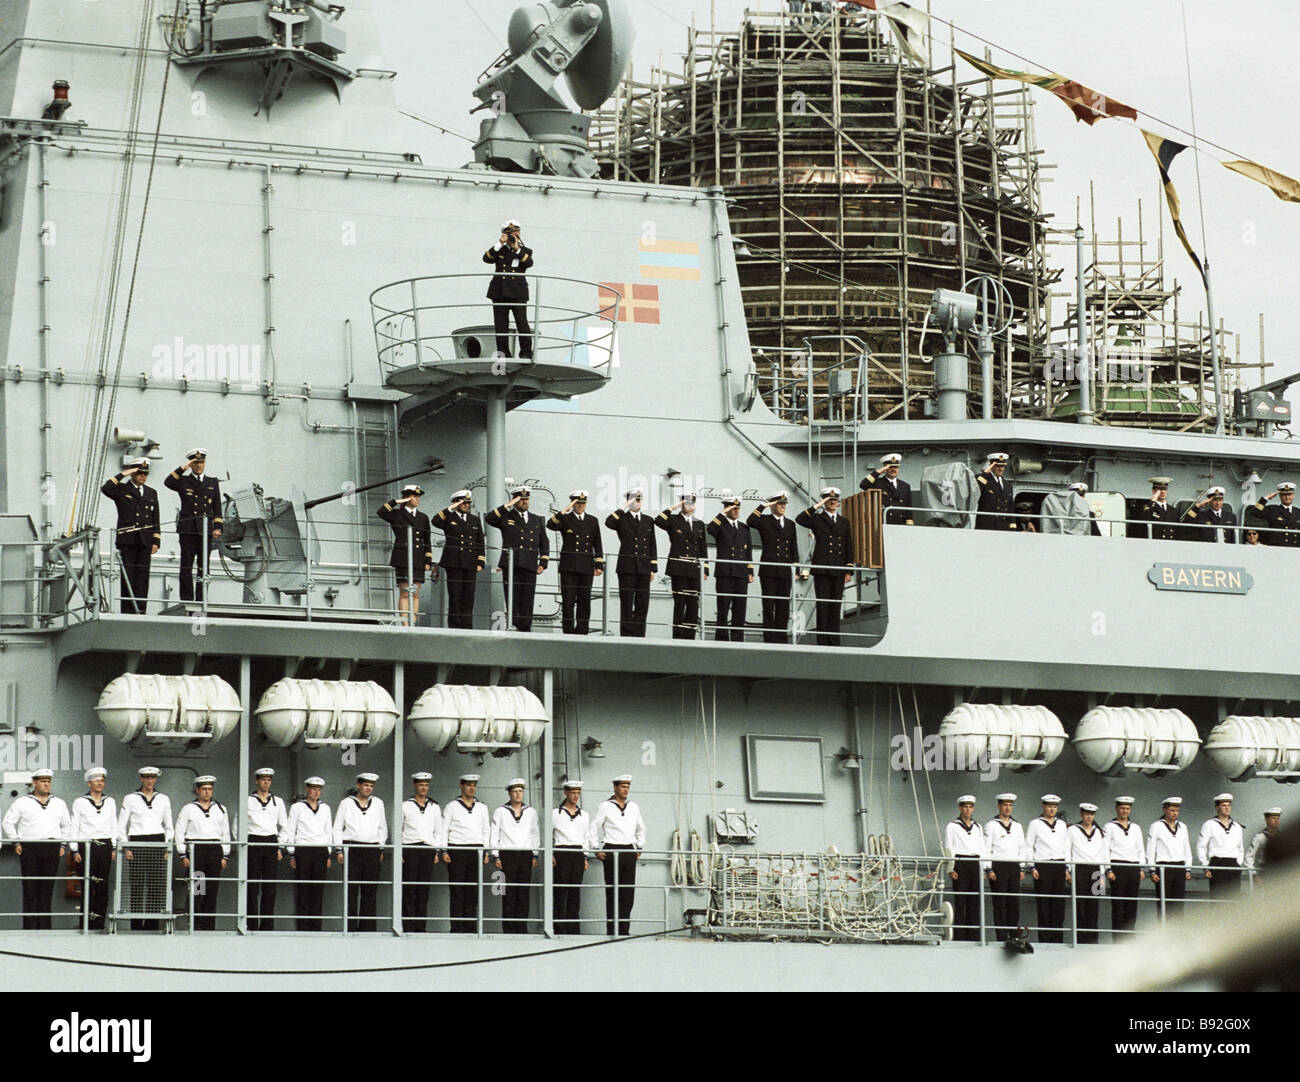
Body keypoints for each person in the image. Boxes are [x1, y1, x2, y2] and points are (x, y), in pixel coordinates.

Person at [2, 768, 69, 929]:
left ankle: (45, 929)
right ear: (34, 782)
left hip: (51, 847)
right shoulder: (22, 802)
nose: (46, 784)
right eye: (42, 781)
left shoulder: (59, 803)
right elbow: (7, 822)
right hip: (30, 847)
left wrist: (63, 844)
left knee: (47, 890)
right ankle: (30, 928)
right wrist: (16, 842)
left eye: (48, 781)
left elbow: (67, 824)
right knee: (30, 889)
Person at [100, 458, 161, 614]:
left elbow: (156, 519)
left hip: (145, 540)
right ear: (133, 473)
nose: (142, 476)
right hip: (128, 540)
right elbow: (106, 488)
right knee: (128, 576)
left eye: (145, 474)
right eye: (139, 473)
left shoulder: (151, 492)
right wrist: (124, 473)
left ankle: (141, 610)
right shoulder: (122, 489)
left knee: (142, 578)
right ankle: (128, 610)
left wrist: (156, 540)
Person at [485, 485, 549, 632]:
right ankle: (514, 625)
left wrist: (543, 562)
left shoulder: (536, 520)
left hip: (530, 564)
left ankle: (526, 628)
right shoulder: (506, 517)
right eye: (520, 499)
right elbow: (490, 518)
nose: (524, 502)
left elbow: (544, 541)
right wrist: (507, 505)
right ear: (514, 500)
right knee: (512, 596)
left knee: (528, 597)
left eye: (526, 499)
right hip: (511, 564)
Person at [796, 487, 854, 646]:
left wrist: (849, 569)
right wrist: (817, 505)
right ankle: (822, 641)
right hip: (822, 568)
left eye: (835, 500)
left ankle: (834, 641)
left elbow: (849, 545)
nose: (833, 502)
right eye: (829, 500)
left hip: (838, 569)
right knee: (823, 605)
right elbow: (800, 519)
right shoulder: (817, 519)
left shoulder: (844, 522)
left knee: (835, 606)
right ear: (824, 502)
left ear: (838, 502)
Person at [163, 448, 222, 601]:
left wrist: (217, 527)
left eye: (201, 462)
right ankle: (187, 599)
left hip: (205, 530)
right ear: (191, 463)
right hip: (188, 530)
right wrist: (183, 467)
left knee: (204, 567)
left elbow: (217, 507)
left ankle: (202, 599)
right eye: (195, 463)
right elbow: (168, 482)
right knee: (186, 567)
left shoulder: (212, 482)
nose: (198, 466)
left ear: (205, 463)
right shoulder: (183, 481)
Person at [590, 774, 646, 936]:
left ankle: (624, 929)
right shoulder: (605, 806)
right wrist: (595, 847)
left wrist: (639, 846)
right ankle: (612, 929)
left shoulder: (633, 806)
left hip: (628, 849)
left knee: (628, 892)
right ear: (615, 788)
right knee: (613, 891)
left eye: (628, 786)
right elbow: (594, 827)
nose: (626, 789)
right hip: (612, 848)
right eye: (623, 786)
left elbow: (641, 827)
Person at [118, 766, 173, 930]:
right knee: (137, 885)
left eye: (152, 777)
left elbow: (169, 826)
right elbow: (121, 826)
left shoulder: (163, 798)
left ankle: (152, 925)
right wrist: (126, 846)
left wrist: (167, 846)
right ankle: (136, 925)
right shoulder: (130, 798)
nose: (150, 781)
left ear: (156, 779)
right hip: (137, 842)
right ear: (141, 778)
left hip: (157, 842)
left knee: (156, 886)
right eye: (146, 777)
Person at [174, 775, 231, 931]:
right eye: (204, 789)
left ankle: (209, 926)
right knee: (199, 889)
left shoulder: (220, 809)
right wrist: (182, 854)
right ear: (197, 790)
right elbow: (179, 832)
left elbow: (225, 832)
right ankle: (196, 925)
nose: (207, 792)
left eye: (210, 789)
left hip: (214, 851)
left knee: (212, 890)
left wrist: (225, 854)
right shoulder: (188, 809)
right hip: (197, 851)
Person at [333, 772, 387, 932]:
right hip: (351, 848)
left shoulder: (378, 803)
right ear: (358, 785)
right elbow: (337, 827)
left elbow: (382, 827)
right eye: (366, 785)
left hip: (372, 849)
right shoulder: (346, 803)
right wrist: (338, 849)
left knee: (370, 890)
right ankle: (350, 927)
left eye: (371, 786)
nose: (368, 788)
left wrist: (381, 846)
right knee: (351, 890)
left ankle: (367, 928)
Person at [440, 773, 491, 933]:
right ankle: (457, 927)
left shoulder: (482, 807)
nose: (471, 788)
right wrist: (444, 849)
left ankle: (470, 927)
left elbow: (486, 830)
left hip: (476, 850)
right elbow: (444, 829)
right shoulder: (452, 806)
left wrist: (486, 851)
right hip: (457, 849)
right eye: (468, 785)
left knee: (473, 891)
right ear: (461, 786)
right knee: (457, 890)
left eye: (474, 785)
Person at [548, 490, 604, 634]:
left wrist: (598, 564)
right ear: (572, 503)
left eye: (582, 503)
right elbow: (550, 525)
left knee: (584, 601)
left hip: (586, 566)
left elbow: (597, 543)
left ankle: (582, 630)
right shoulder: (565, 519)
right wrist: (563, 511)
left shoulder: (592, 520)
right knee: (568, 601)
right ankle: (568, 631)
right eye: (577, 503)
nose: (580, 505)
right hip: (569, 567)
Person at [747, 492, 801, 643]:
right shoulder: (764, 520)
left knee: (783, 605)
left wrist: (796, 569)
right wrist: (763, 505)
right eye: (779, 503)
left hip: (785, 570)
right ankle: (769, 638)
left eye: (785, 504)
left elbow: (793, 548)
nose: (783, 506)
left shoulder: (790, 524)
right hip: (769, 570)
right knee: (769, 605)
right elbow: (750, 520)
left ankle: (781, 637)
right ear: (772, 505)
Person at [378, 484, 433, 626]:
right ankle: (404, 624)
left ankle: (412, 622)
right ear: (406, 497)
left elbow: (427, 539)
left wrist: (428, 559)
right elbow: (381, 512)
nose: (417, 499)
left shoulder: (423, 517)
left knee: (415, 593)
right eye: (414, 496)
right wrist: (396, 502)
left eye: (418, 497)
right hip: (403, 557)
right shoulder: (397, 514)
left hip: (418, 557)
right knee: (404, 592)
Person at [604, 488, 657, 637]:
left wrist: (653, 567)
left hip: (644, 567)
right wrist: (624, 507)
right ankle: (627, 635)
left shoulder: (648, 520)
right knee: (626, 602)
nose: (637, 500)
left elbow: (652, 543)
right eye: (634, 498)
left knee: (642, 603)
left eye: (639, 497)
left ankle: (639, 634)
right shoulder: (622, 518)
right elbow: (609, 522)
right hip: (626, 567)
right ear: (628, 500)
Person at [656, 492, 709, 639]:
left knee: (693, 603)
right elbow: (658, 520)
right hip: (678, 568)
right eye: (686, 503)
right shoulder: (673, 520)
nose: (690, 506)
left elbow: (702, 547)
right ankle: (678, 635)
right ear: (681, 504)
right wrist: (673, 507)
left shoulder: (699, 524)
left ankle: (690, 636)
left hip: (694, 568)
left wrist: (705, 568)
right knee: (680, 603)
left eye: (692, 503)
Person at [70, 767, 117, 932]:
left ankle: (99, 924)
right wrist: (74, 849)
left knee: (103, 887)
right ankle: (86, 923)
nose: (99, 783)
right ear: (89, 782)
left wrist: (114, 846)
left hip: (105, 845)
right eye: (96, 780)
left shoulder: (110, 801)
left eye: (102, 780)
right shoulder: (80, 802)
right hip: (87, 846)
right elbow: (74, 826)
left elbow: (113, 824)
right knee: (87, 886)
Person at [491, 779, 541, 934]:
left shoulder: (531, 812)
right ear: (509, 793)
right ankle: (508, 928)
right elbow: (495, 833)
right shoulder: (501, 811)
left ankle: (521, 928)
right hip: (507, 854)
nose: (518, 794)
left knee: (523, 893)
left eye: (520, 791)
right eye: (515, 791)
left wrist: (535, 854)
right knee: (507, 893)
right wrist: (495, 855)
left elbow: (535, 833)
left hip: (525, 854)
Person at [432, 489, 485, 629]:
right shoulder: (449, 518)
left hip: (470, 562)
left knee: (468, 597)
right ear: (456, 502)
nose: (467, 505)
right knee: (455, 596)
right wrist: (451, 508)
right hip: (454, 562)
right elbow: (435, 521)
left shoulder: (475, 520)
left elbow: (480, 541)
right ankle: (454, 627)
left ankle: (467, 626)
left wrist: (480, 561)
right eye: (464, 503)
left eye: (468, 503)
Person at [285, 777, 332, 932]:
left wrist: (329, 853)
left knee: (318, 891)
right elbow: (291, 830)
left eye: (319, 789)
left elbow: (328, 832)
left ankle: (316, 927)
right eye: (313, 788)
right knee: (303, 890)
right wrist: (292, 853)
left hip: (320, 850)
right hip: (303, 849)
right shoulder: (297, 807)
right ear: (306, 789)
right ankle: (303, 928)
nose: (316, 791)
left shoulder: (325, 808)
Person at [483, 218, 534, 360]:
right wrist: (500, 243)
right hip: (499, 292)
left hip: (518, 293)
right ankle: (503, 354)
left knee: (522, 323)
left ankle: (526, 353)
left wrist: (516, 247)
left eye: (516, 232)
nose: (513, 235)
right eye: (510, 233)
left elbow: (529, 263)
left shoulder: (525, 251)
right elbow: (486, 258)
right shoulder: (499, 250)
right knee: (500, 325)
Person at [707, 493, 753, 642]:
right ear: (726, 508)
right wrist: (723, 513)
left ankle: (737, 639)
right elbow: (711, 528)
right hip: (725, 573)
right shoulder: (720, 526)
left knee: (740, 608)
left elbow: (748, 552)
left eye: (738, 508)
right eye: (733, 508)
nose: (736, 511)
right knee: (723, 607)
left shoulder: (744, 528)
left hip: (740, 573)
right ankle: (721, 638)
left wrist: (750, 571)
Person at [245, 767, 287, 931]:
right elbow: (237, 825)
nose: (266, 782)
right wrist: (244, 845)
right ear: (257, 781)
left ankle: (267, 925)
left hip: (271, 842)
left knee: (270, 888)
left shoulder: (278, 802)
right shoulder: (247, 800)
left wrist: (280, 847)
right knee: (251, 887)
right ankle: (251, 924)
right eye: (263, 779)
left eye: (268, 779)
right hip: (253, 842)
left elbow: (285, 827)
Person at [1025, 794, 1070, 943]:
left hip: (1059, 865)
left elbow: (1066, 847)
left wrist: (1067, 868)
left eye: (1054, 807)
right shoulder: (1035, 824)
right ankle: (1044, 938)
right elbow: (1029, 846)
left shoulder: (1062, 825)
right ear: (1044, 806)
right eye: (1049, 806)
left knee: (1058, 904)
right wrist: (1032, 866)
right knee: (1044, 904)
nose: (1052, 809)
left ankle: (1057, 937)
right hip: (1042, 866)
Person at [401, 771, 442, 934]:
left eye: (426, 785)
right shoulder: (405, 805)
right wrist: (400, 851)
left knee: (423, 891)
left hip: (428, 850)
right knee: (409, 889)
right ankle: (408, 925)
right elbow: (398, 829)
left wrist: (437, 851)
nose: (424, 788)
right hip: (410, 849)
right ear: (415, 785)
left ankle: (420, 927)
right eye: (421, 785)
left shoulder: (435, 807)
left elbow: (438, 831)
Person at [944, 795, 987, 942]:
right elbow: (948, 847)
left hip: (975, 863)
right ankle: (960, 937)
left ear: (973, 808)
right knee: (961, 901)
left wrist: (983, 868)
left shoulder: (978, 827)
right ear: (960, 808)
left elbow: (982, 848)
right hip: (960, 863)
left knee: (974, 902)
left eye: (970, 807)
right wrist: (951, 868)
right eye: (965, 807)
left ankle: (973, 936)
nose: (967, 810)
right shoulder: (952, 826)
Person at [983, 792, 1025, 942]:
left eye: (1010, 805)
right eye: (1005, 805)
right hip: (998, 866)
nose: (1008, 808)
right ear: (999, 806)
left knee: (1013, 902)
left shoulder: (1017, 826)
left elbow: (1021, 847)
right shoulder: (991, 825)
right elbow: (986, 848)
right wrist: (988, 868)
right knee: (999, 903)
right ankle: (1001, 935)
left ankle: (1013, 933)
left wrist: (1021, 867)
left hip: (1013, 866)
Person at [552, 779, 590, 935]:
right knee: (560, 892)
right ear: (566, 793)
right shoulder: (555, 813)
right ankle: (559, 927)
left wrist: (585, 856)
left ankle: (573, 928)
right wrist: (551, 854)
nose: (575, 796)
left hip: (577, 853)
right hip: (561, 852)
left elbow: (586, 836)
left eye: (578, 793)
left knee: (575, 892)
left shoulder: (584, 815)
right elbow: (549, 834)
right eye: (573, 792)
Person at [1104, 797, 1145, 938]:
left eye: (1127, 808)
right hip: (1117, 866)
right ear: (1116, 809)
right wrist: (1108, 869)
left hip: (1133, 867)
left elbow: (1140, 849)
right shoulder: (1109, 826)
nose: (1125, 811)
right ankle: (1118, 936)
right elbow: (1105, 849)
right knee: (1118, 904)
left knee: (1132, 904)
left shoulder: (1136, 828)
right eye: (1122, 808)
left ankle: (1129, 935)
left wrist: (1141, 868)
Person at [1146, 797, 1192, 920]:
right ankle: (1164, 932)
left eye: (1177, 810)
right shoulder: (1156, 826)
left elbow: (1187, 848)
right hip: (1163, 867)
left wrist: (1188, 868)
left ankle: (1178, 932)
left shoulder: (1183, 826)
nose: (1175, 813)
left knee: (1178, 904)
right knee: (1164, 903)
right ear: (1165, 810)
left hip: (1179, 866)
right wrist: (1152, 870)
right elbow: (1150, 849)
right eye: (1172, 810)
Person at [1070, 802, 1108, 944]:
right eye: (1086, 813)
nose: (1089, 816)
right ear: (1081, 814)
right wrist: (1069, 870)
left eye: (1091, 814)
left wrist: (1102, 874)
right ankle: (1080, 938)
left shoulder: (1099, 832)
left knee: (1094, 905)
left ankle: (1093, 938)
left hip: (1096, 870)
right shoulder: (1073, 830)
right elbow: (1068, 850)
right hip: (1079, 869)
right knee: (1080, 904)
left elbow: (1103, 853)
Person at [1197, 793, 1245, 899]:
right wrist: (1205, 866)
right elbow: (1201, 846)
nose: (1227, 808)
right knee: (1218, 898)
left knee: (1234, 898)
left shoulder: (1237, 826)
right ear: (1217, 807)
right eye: (1224, 805)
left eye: (1229, 805)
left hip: (1233, 864)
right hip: (1217, 863)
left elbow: (1240, 847)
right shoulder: (1209, 824)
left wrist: (1239, 863)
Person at [859, 453, 914, 525]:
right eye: (890, 467)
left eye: (896, 467)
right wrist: (879, 472)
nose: (893, 469)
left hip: (901, 524)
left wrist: (909, 526)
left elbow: (908, 508)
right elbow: (863, 485)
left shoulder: (905, 486)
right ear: (885, 468)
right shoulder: (877, 483)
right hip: (884, 524)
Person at [975, 453, 1019, 531]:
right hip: (986, 527)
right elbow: (975, 489)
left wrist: (1013, 528)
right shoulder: (983, 480)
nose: (1001, 469)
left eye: (1002, 466)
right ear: (991, 466)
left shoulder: (1007, 485)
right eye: (998, 466)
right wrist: (985, 473)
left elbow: (1010, 508)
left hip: (1003, 527)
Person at [1252, 481, 1300, 546]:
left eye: (1289, 495)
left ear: (1293, 495)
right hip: (1276, 547)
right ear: (1280, 496)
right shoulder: (1273, 510)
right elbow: (1255, 512)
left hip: (1295, 549)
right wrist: (1266, 498)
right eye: (1284, 495)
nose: (1287, 497)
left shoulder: (1298, 512)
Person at [1245, 807, 1282, 880]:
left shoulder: (1282, 837)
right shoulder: (1260, 837)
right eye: (1273, 818)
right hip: (1266, 873)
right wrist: (1254, 876)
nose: (1276, 821)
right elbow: (1248, 858)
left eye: (1278, 819)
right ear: (1266, 819)